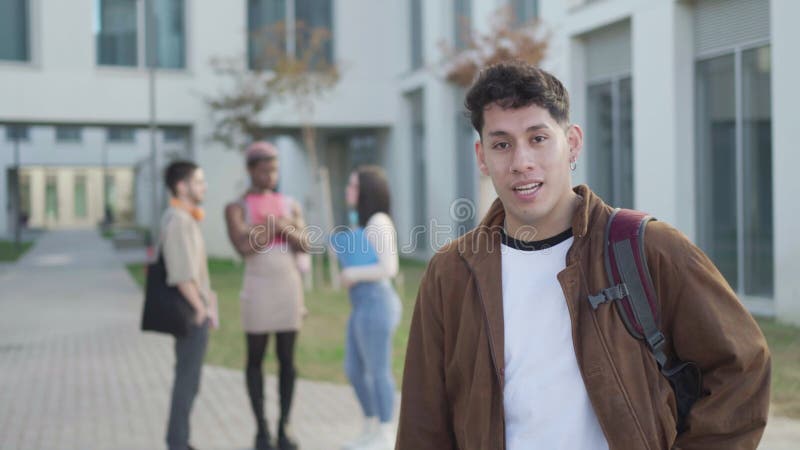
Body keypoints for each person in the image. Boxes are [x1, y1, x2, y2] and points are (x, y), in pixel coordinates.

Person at [395, 61, 771, 449]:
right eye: (502, 144)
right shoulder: (452, 273)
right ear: (482, 156)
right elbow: (423, 424)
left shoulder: (648, 247)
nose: (522, 162)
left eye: (538, 138)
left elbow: (742, 367)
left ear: (572, 142)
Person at [224, 141, 310, 450]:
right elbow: (242, 247)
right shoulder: (236, 207)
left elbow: (306, 243)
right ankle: (261, 430)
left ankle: (284, 427)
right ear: (250, 170)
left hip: (288, 286)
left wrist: (268, 229)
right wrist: (279, 228)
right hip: (258, 287)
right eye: (264, 170)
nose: (270, 176)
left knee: (287, 359)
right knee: (255, 358)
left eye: (274, 170)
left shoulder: (290, 203)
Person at [332, 166, 401, 450]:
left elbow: (389, 268)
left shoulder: (379, 222)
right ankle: (371, 427)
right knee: (354, 369)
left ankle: (386, 433)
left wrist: (353, 274)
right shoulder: (363, 222)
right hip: (361, 304)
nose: (347, 191)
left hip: (377, 303)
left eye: (353, 186)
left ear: (366, 191)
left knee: (377, 370)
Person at [161, 160, 219, 450]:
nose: (204, 187)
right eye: (198, 182)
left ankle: (180, 440)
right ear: (181, 187)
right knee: (187, 380)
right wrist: (200, 309)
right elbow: (182, 275)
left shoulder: (185, 218)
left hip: (194, 309)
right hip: (190, 313)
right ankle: (178, 442)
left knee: (190, 380)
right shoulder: (179, 221)